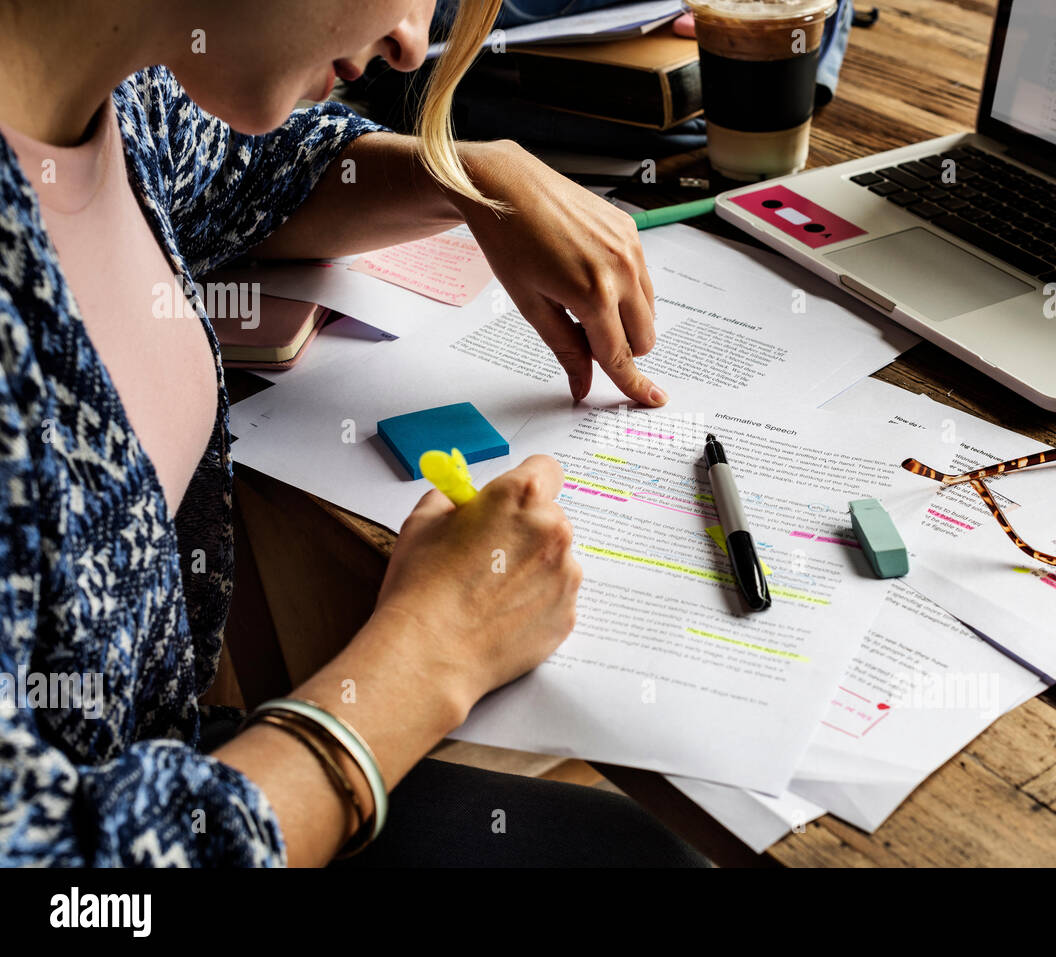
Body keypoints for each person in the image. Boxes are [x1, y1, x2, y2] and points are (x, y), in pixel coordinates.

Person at [0, 0, 707, 867]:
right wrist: (428, 656)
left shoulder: (116, 90)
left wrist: (472, 184)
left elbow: (240, 171)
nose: (412, 44)